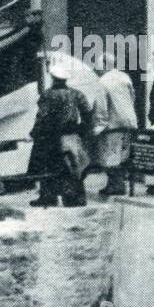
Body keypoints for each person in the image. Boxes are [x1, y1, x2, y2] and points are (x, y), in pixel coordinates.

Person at [28, 57, 93, 206]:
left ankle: (48, 197)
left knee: (48, 167)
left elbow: (42, 117)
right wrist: (82, 130)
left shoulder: (48, 95)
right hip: (71, 135)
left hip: (50, 137)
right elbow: (88, 113)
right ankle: (74, 198)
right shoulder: (77, 94)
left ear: (52, 77)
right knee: (73, 167)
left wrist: (34, 133)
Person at [92, 52, 138, 196]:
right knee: (124, 153)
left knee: (111, 154)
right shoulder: (125, 77)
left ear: (104, 65)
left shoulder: (102, 82)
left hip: (113, 123)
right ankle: (121, 184)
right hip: (129, 120)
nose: (97, 69)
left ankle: (115, 185)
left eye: (98, 66)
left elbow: (101, 107)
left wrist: (99, 126)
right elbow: (132, 97)